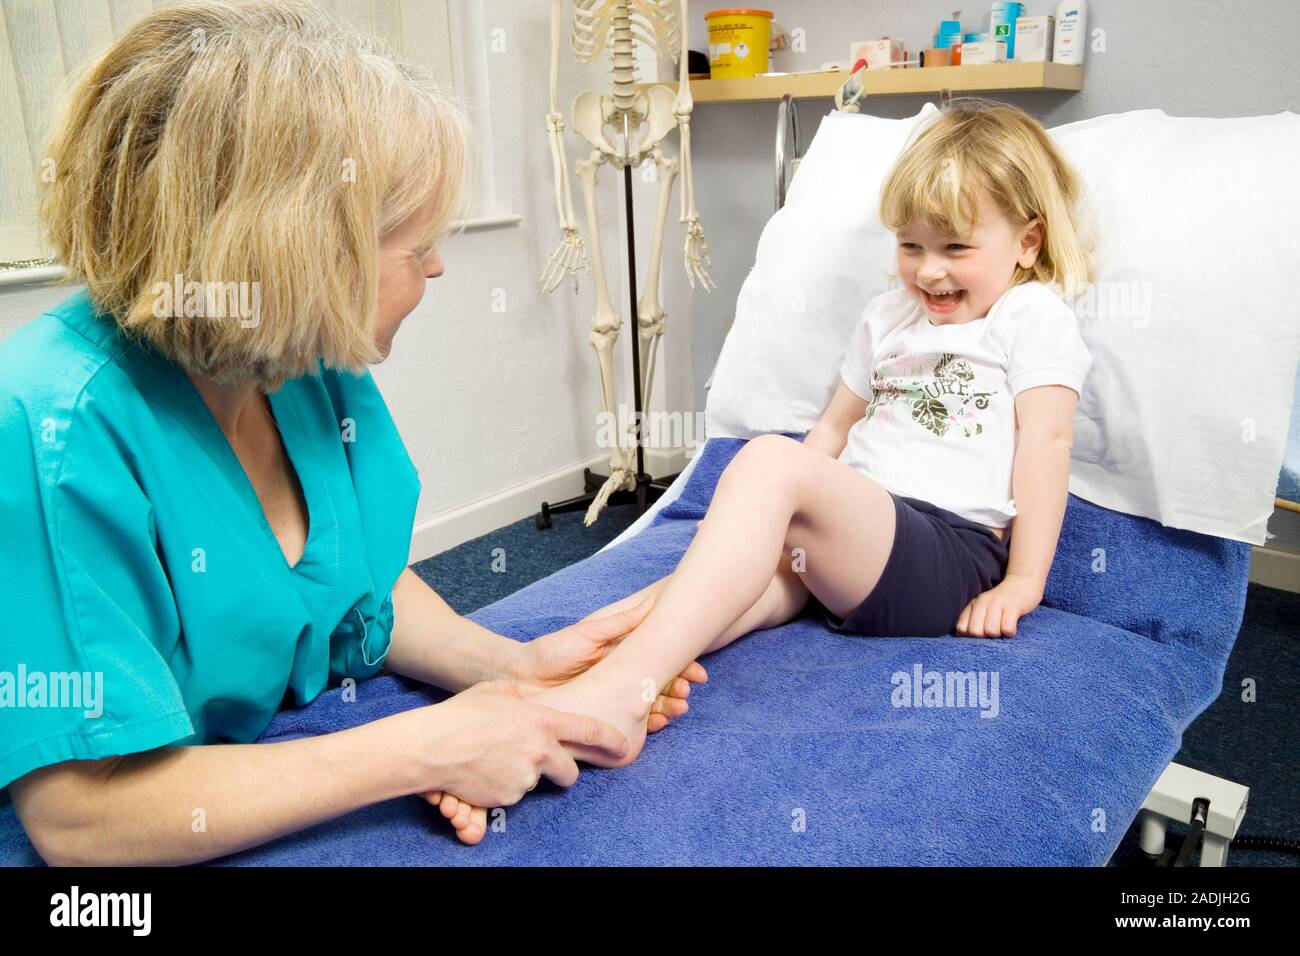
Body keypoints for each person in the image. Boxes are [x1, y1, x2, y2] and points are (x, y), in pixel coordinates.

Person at [0, 0, 703, 864]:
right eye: (417, 245)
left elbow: (355, 583)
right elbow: (80, 818)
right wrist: (430, 748)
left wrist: (505, 669)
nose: (441, 265)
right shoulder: (51, 425)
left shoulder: (297, 364)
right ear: (292, 248)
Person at [430, 99, 1097, 826]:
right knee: (686, 595)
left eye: (955, 249)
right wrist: (781, 513)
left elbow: (1046, 447)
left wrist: (1025, 581)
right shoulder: (886, 317)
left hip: (947, 554)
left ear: (1027, 243)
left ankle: (612, 698)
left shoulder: (1032, 318)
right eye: (910, 246)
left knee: (767, 463)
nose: (928, 271)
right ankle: (550, 705)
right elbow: (835, 430)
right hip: (856, 549)